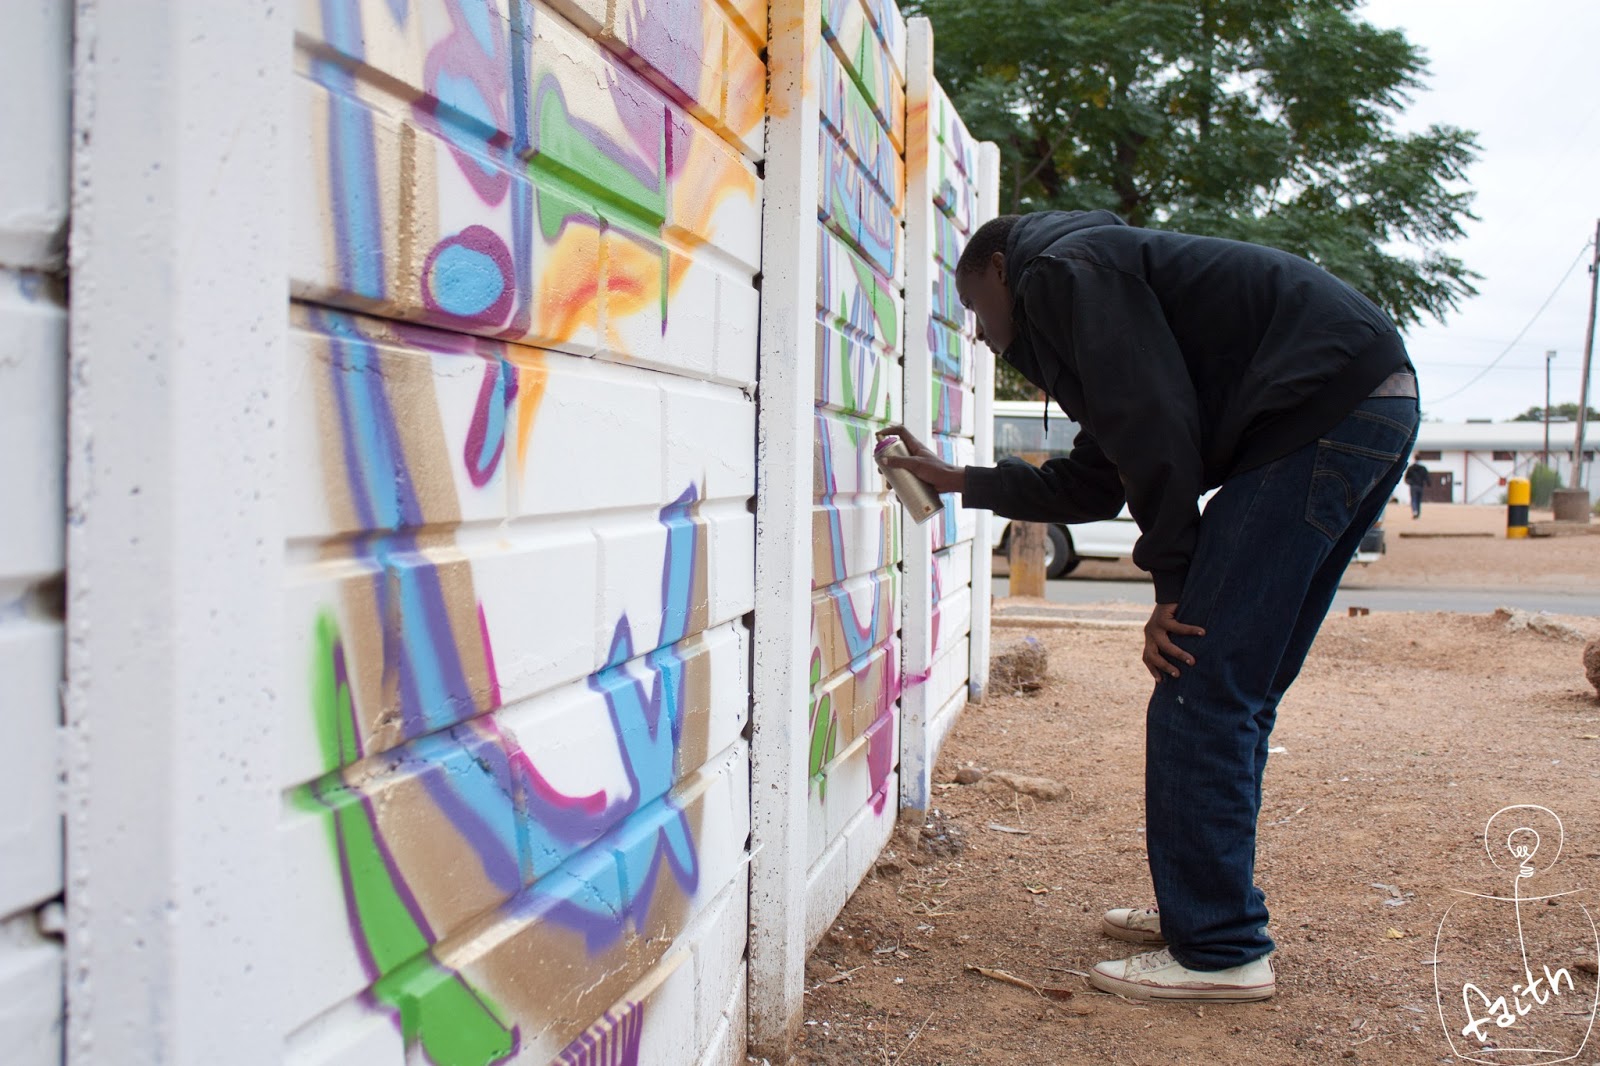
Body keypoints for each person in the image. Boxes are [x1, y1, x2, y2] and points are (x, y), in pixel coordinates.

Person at [879, 210, 1419, 1002]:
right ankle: (1201, 911)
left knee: (1198, 683)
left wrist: (1173, 589)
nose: (984, 335)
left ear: (998, 267)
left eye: (976, 308)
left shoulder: (1062, 272)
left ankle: (1221, 950)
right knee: (1236, 687)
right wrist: (966, 480)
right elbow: (1105, 472)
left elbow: (1157, 431)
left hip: (1318, 418)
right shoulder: (1101, 278)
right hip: (1363, 405)